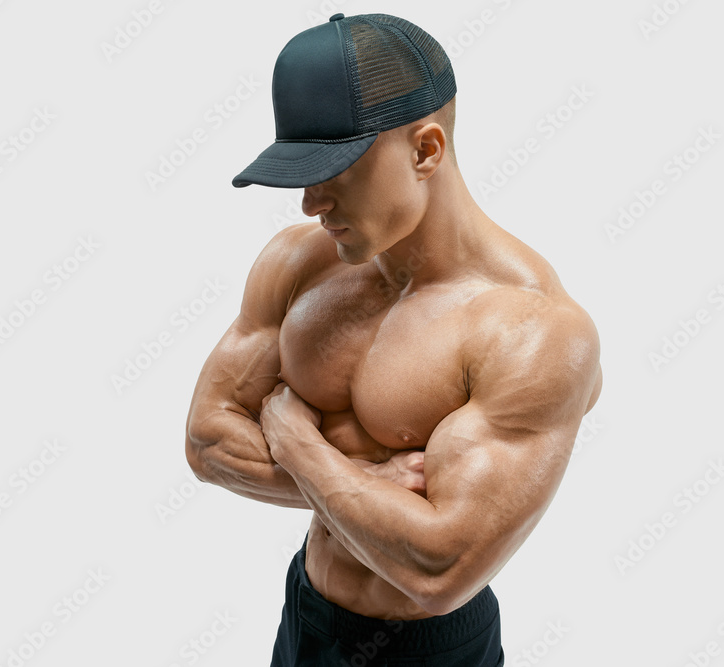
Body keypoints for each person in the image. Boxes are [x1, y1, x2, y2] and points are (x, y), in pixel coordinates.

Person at [185, 13, 602, 667]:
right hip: (308, 617)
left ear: (426, 150)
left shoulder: (532, 330)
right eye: (301, 171)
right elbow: (208, 439)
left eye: (336, 169)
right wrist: (365, 481)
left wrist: (300, 444)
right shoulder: (299, 263)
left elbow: (440, 567)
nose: (309, 204)